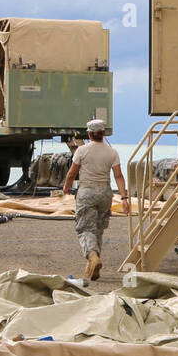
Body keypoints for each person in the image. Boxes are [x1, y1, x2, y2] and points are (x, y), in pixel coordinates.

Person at [63, 119, 128, 280]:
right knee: (98, 229)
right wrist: (124, 198)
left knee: (85, 228)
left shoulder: (81, 150)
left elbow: (72, 173)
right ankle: (91, 266)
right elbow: (118, 176)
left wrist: (66, 187)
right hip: (106, 193)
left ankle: (92, 256)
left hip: (87, 192)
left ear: (89, 134)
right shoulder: (112, 152)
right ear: (103, 133)